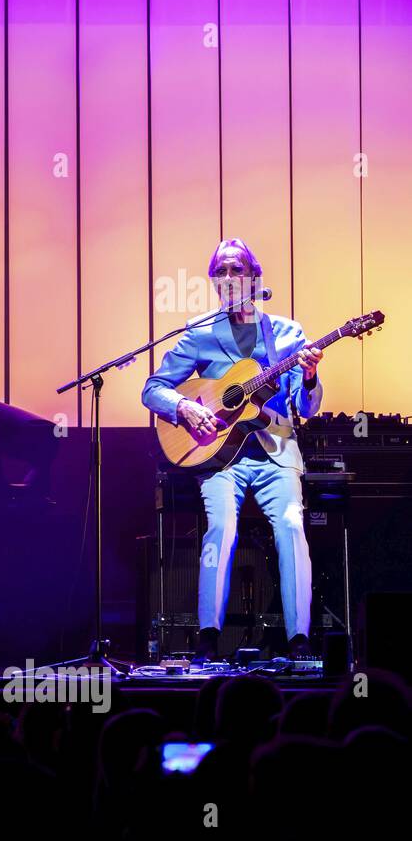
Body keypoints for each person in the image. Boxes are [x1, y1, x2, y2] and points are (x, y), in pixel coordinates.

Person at [142, 238, 323, 660]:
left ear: (254, 278)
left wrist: (311, 377)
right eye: (220, 271)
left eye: (235, 270)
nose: (227, 278)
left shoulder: (286, 334)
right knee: (220, 530)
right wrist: (185, 406)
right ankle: (208, 637)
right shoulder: (200, 334)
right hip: (220, 457)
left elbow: (306, 407)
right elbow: (153, 389)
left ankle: (299, 639)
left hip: (276, 449)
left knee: (292, 527)